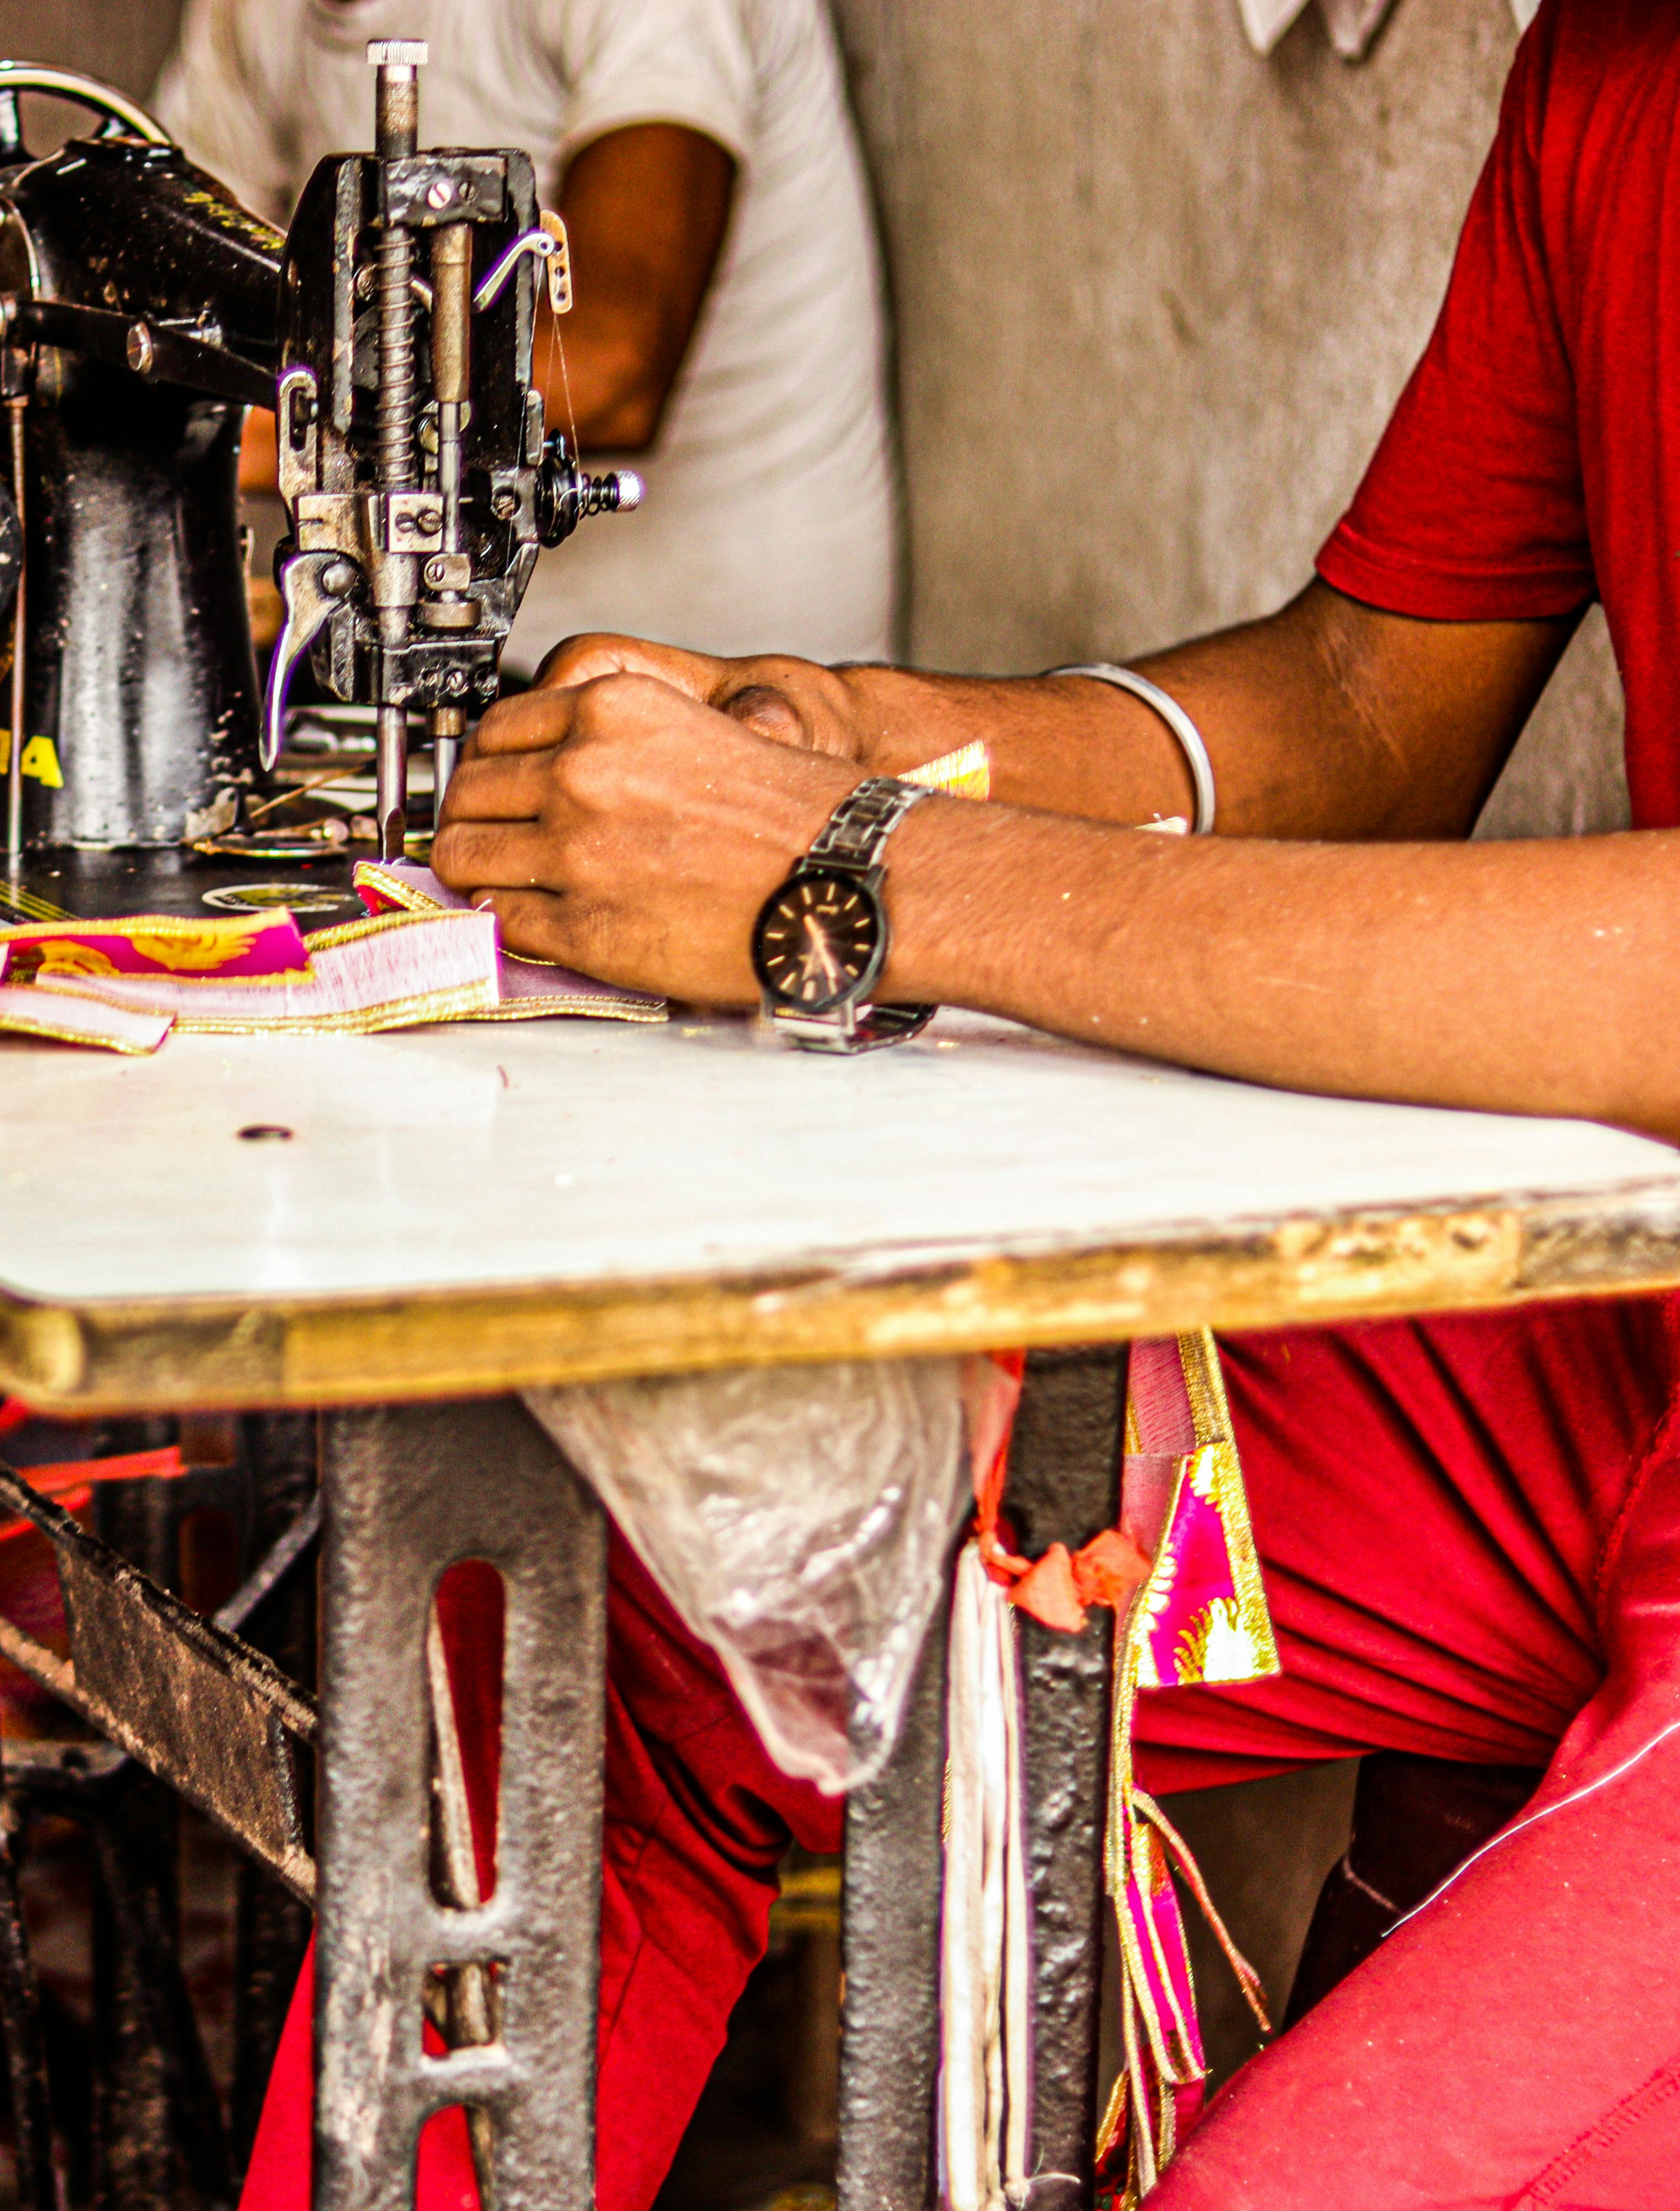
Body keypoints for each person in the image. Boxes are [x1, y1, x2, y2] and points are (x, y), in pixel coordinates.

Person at [227, 3, 1680, 2205]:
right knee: (624, 1610)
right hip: (1615, 1343)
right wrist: (854, 738)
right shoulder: (1608, 75)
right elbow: (1372, 699)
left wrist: (867, 871)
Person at [155, 0, 897, 665]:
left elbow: (611, 370)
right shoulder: (249, 15)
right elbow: (173, 286)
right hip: (437, 645)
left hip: (726, 676)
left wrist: (195, 426)